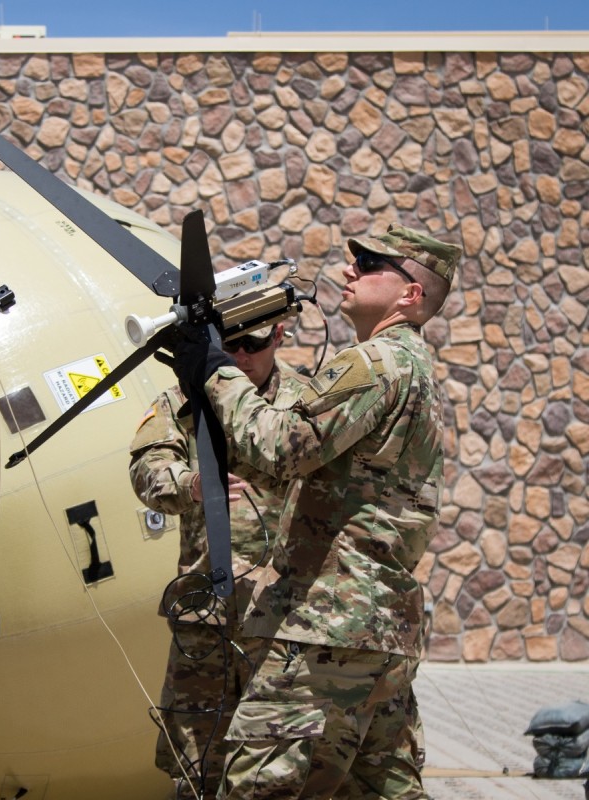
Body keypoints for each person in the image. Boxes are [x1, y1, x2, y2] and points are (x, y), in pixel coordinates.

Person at [173, 224, 460, 799]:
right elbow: (305, 467)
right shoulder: (414, 371)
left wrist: (215, 368)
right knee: (379, 790)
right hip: (377, 633)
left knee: (256, 786)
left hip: (326, 628)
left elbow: (281, 445)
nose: (350, 268)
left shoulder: (374, 363)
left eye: (372, 262)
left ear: (411, 295)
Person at [129, 321, 307, 798]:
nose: (243, 356)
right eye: (231, 345)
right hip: (205, 618)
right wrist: (192, 483)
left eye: (256, 343)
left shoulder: (308, 402)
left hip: (283, 619)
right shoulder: (181, 400)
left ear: (280, 336)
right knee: (196, 760)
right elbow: (147, 469)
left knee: (283, 763)